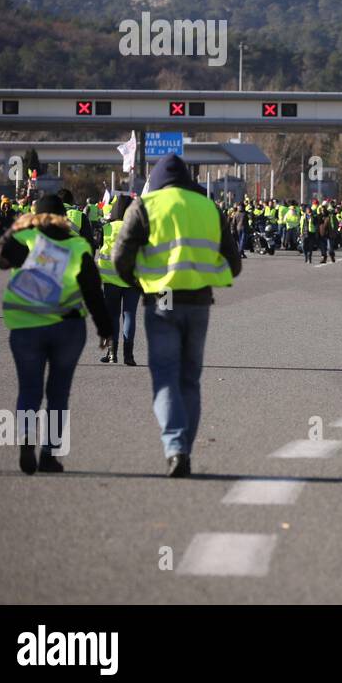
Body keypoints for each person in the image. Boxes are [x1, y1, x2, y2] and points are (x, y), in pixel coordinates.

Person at [113, 154, 242, 478]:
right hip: (199, 300)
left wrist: (139, 283)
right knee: (190, 378)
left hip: (164, 299)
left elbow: (120, 258)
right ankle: (185, 446)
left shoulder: (145, 207)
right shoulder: (208, 207)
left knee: (166, 374)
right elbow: (234, 262)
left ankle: (175, 449)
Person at [0, 194, 114, 474]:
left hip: (26, 325)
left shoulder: (25, 238)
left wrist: (16, 231)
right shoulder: (77, 245)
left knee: (29, 388)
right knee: (59, 392)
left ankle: (25, 438)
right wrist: (105, 329)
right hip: (67, 327)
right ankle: (49, 453)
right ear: (64, 217)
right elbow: (93, 291)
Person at [95, 194, 140, 365]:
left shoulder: (106, 228)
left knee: (112, 316)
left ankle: (112, 353)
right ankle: (129, 356)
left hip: (111, 279)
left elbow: (97, 247)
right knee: (129, 316)